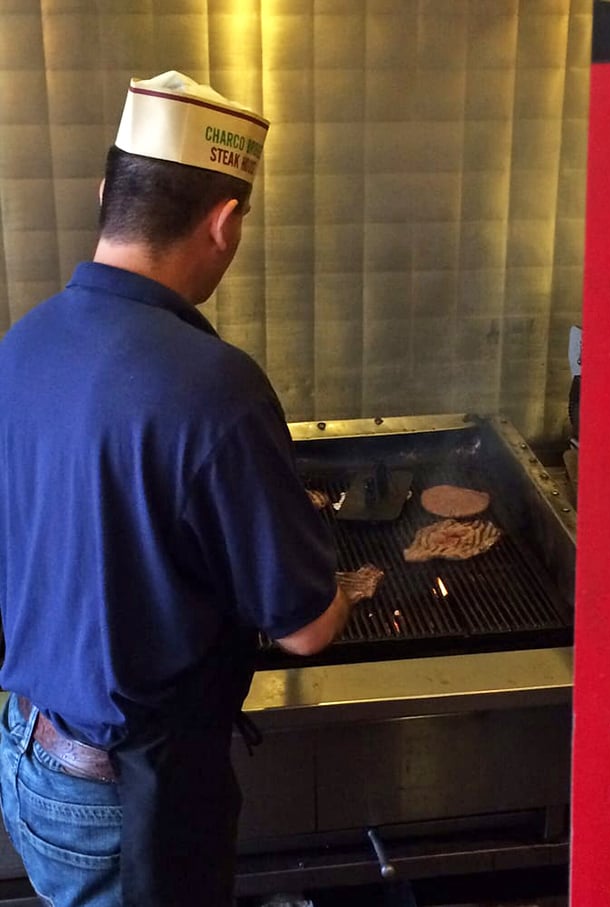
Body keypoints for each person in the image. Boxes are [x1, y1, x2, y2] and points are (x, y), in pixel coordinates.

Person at [0, 71, 354, 907]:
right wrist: (337, 581)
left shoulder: (23, 344)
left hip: (31, 751)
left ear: (105, 197)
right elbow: (306, 629)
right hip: (127, 795)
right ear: (225, 223)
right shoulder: (214, 386)